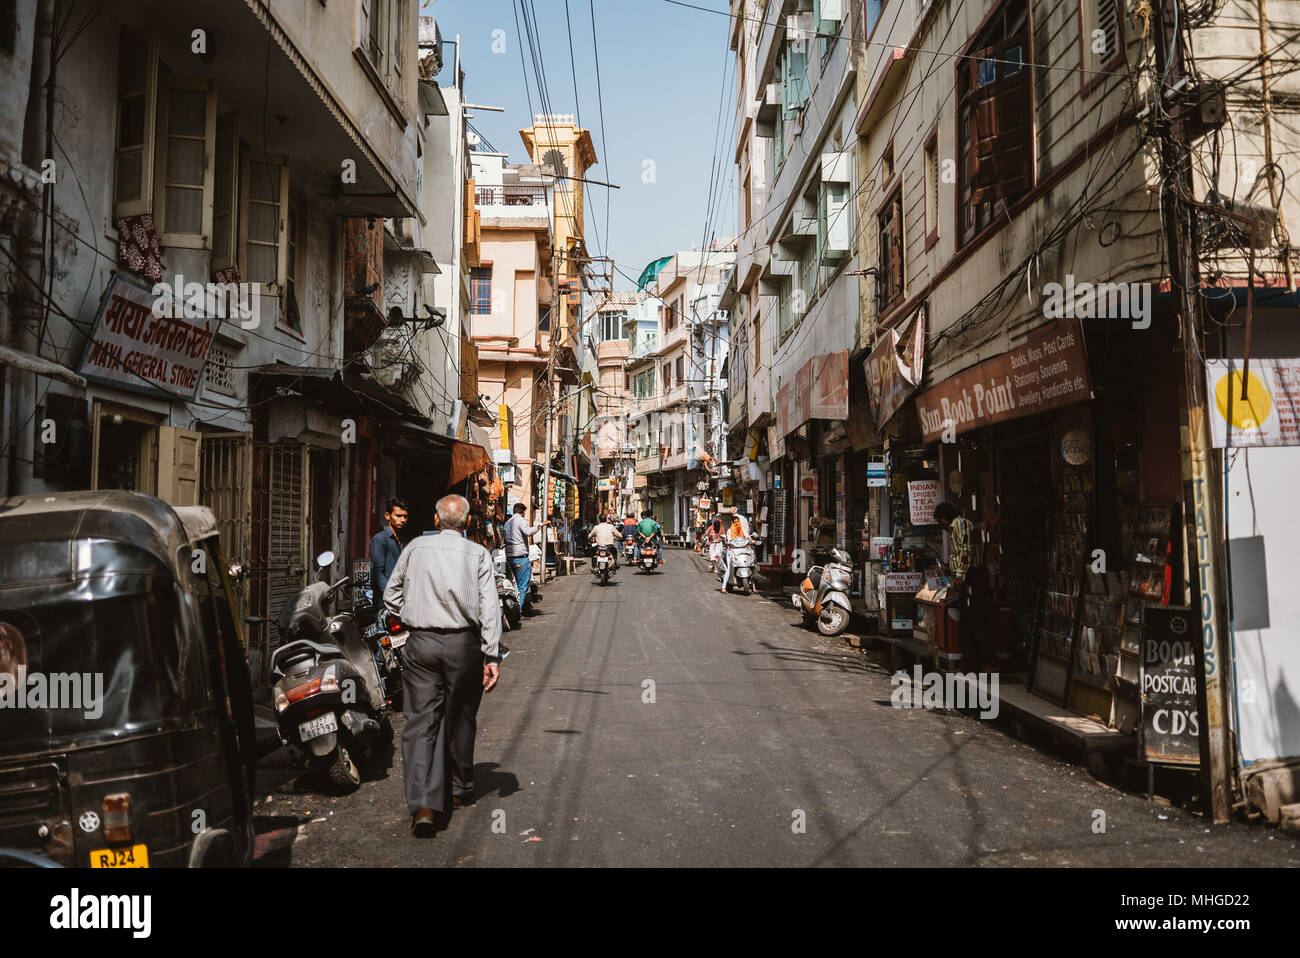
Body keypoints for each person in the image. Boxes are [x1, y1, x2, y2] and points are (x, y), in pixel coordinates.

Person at [383, 495, 502, 837]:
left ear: (436, 521)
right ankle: (458, 790)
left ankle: (423, 806)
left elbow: (390, 596)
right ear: (466, 523)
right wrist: (491, 655)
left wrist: (413, 614)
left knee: (421, 722)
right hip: (464, 646)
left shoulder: (416, 547)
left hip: (421, 644)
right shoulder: (478, 553)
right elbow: (489, 607)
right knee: (462, 716)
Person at [934, 501, 989, 669]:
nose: (940, 526)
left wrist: (959, 576)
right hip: (967, 575)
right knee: (966, 621)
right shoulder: (957, 527)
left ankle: (983, 662)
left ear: (944, 518)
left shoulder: (960, 524)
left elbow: (965, 552)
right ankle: (969, 663)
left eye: (939, 521)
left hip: (971, 576)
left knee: (974, 620)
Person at [502, 503, 549, 617]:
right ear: (522, 512)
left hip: (509, 556)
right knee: (522, 586)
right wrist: (540, 525)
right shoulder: (520, 520)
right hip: (520, 557)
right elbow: (528, 532)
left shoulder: (507, 523)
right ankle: (519, 612)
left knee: (515, 585)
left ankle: (515, 609)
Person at [369, 498, 408, 600]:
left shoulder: (403, 539)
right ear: (387, 516)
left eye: (405, 516)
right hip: (385, 599)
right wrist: (389, 595)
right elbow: (377, 572)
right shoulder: (380, 539)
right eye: (398, 516)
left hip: (400, 596)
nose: (403, 520)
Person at [719, 508, 752, 593]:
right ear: (732, 523)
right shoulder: (730, 531)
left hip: (742, 550)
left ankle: (754, 586)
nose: (736, 523)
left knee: (752, 563)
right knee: (729, 569)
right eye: (735, 522)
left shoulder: (743, 529)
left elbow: (748, 537)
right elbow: (728, 539)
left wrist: (751, 540)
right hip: (732, 551)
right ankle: (723, 587)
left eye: (737, 522)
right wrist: (727, 542)